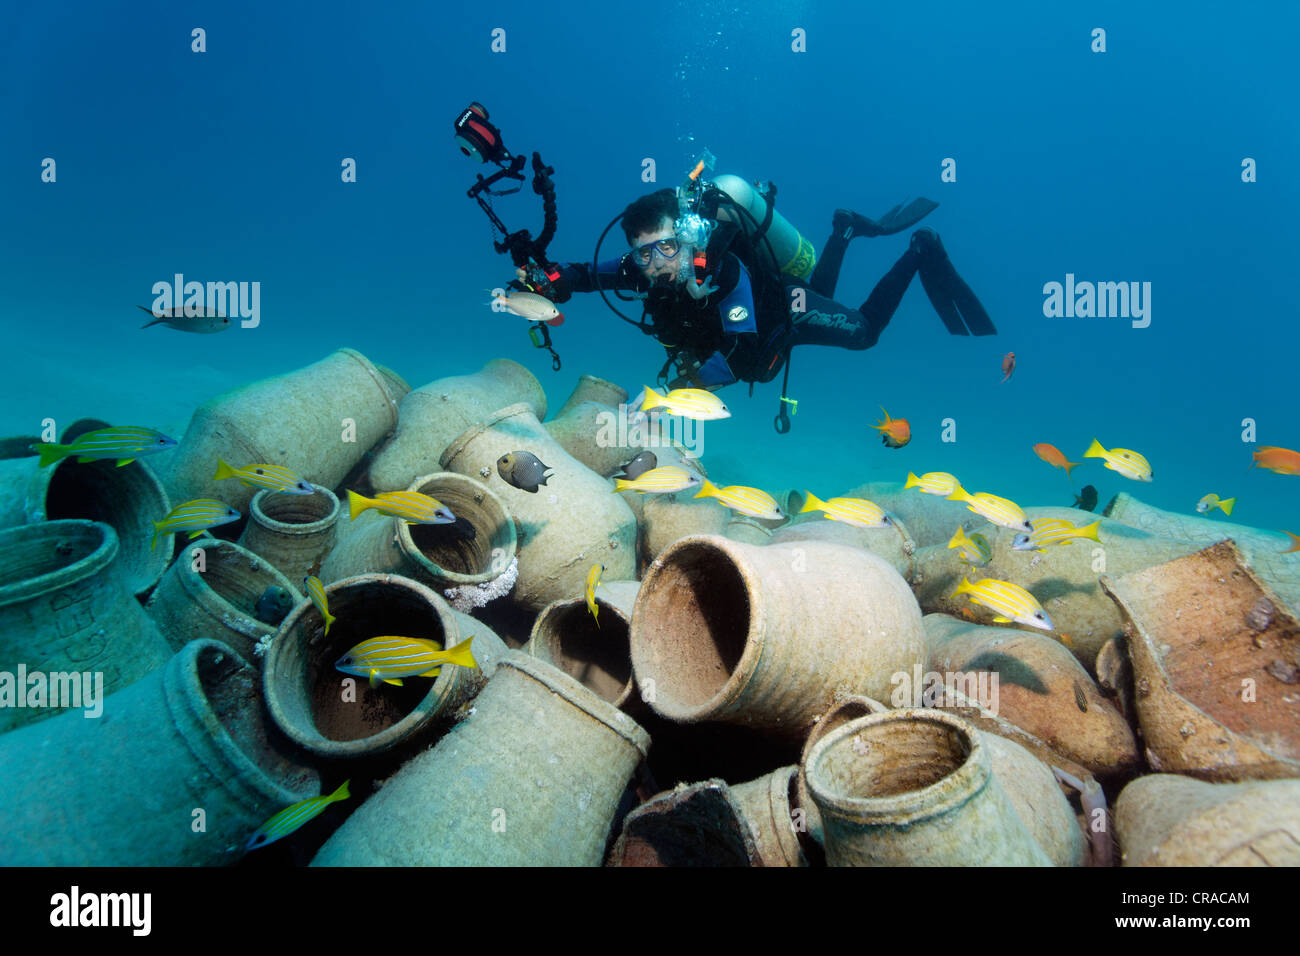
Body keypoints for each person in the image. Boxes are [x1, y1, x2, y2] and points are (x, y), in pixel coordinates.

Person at [517, 172, 996, 402]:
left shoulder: (722, 273)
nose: (656, 264)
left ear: (684, 237)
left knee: (865, 332)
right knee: (818, 284)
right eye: (643, 253)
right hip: (777, 308)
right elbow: (582, 274)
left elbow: (739, 351)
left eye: (665, 248)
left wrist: (678, 391)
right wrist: (545, 280)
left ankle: (917, 248)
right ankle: (843, 230)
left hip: (781, 312)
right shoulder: (644, 268)